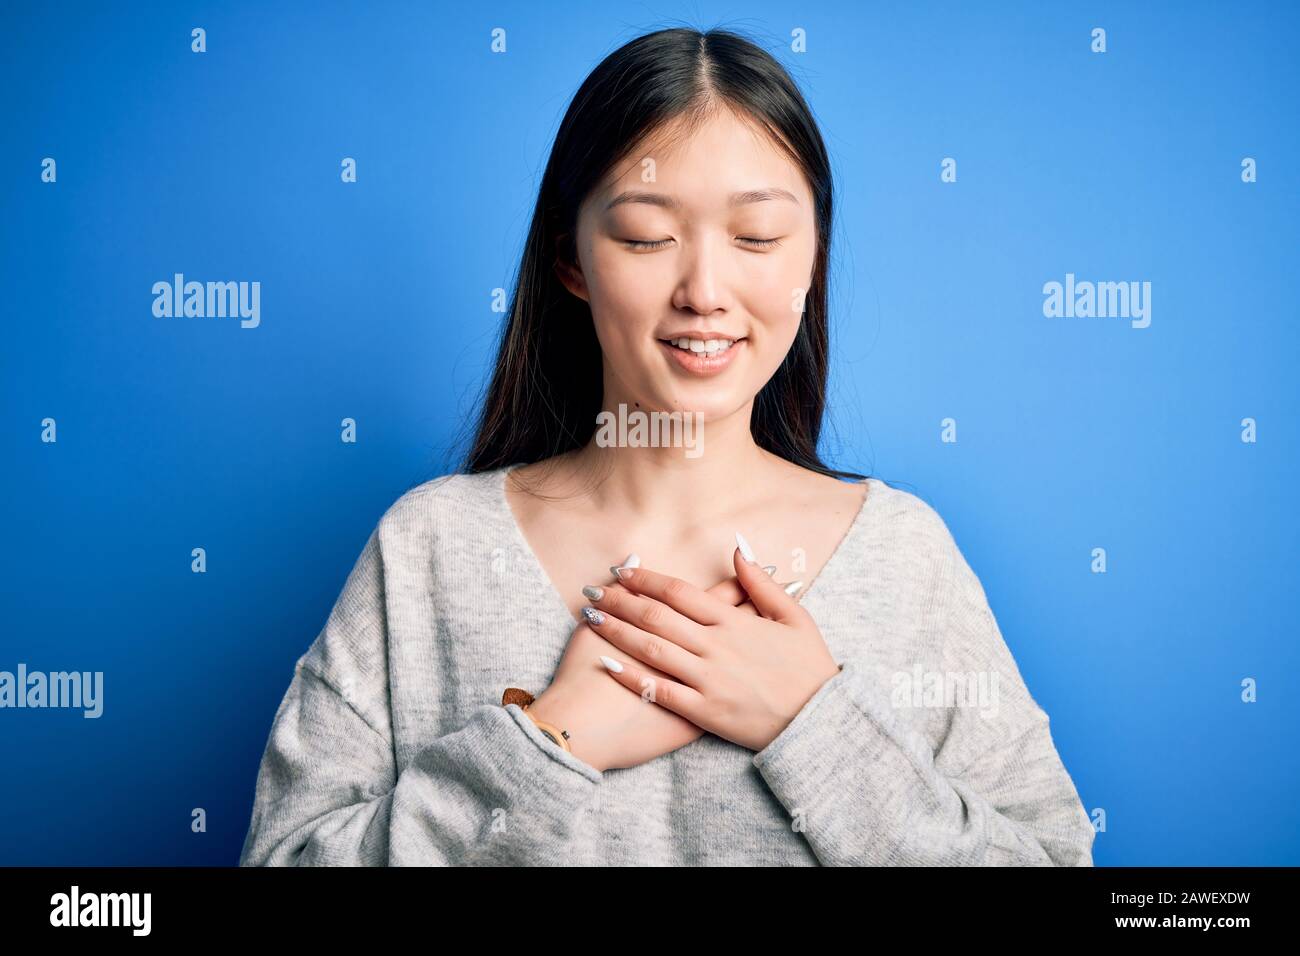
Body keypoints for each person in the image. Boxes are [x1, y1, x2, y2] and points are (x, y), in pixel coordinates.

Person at [237, 26, 1095, 866]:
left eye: (757, 237)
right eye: (646, 236)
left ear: (812, 261)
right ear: (571, 258)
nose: (705, 292)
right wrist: (548, 742)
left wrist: (816, 725)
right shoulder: (429, 550)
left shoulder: (905, 558)